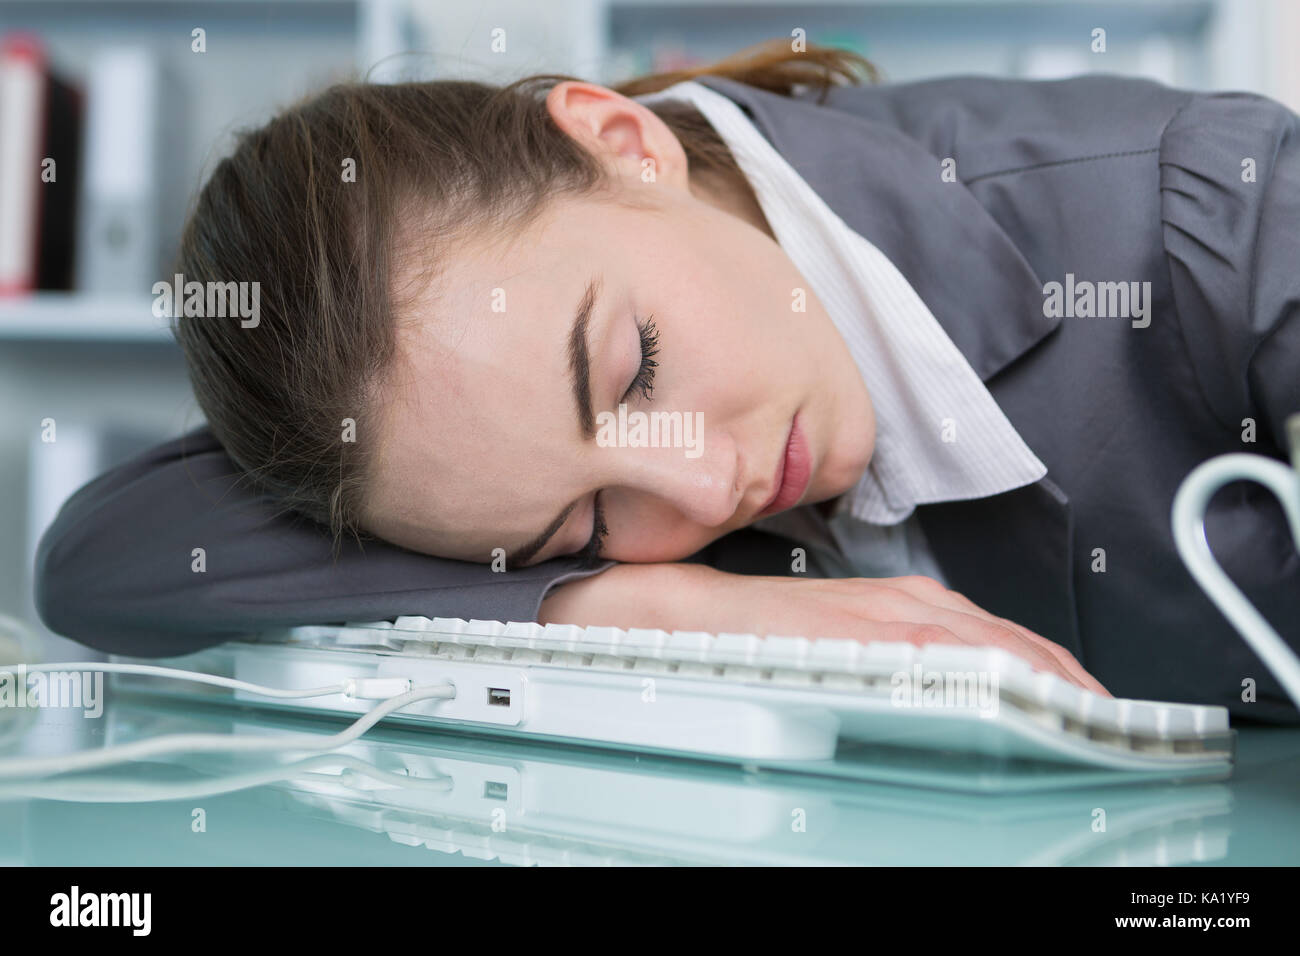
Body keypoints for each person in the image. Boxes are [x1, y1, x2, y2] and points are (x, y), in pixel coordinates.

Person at [35, 41, 1300, 720]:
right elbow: (103, 556)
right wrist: (647, 604)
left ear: (622, 141)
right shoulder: (615, 506)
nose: (703, 487)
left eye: (631, 370)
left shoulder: (1202, 221)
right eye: (582, 524)